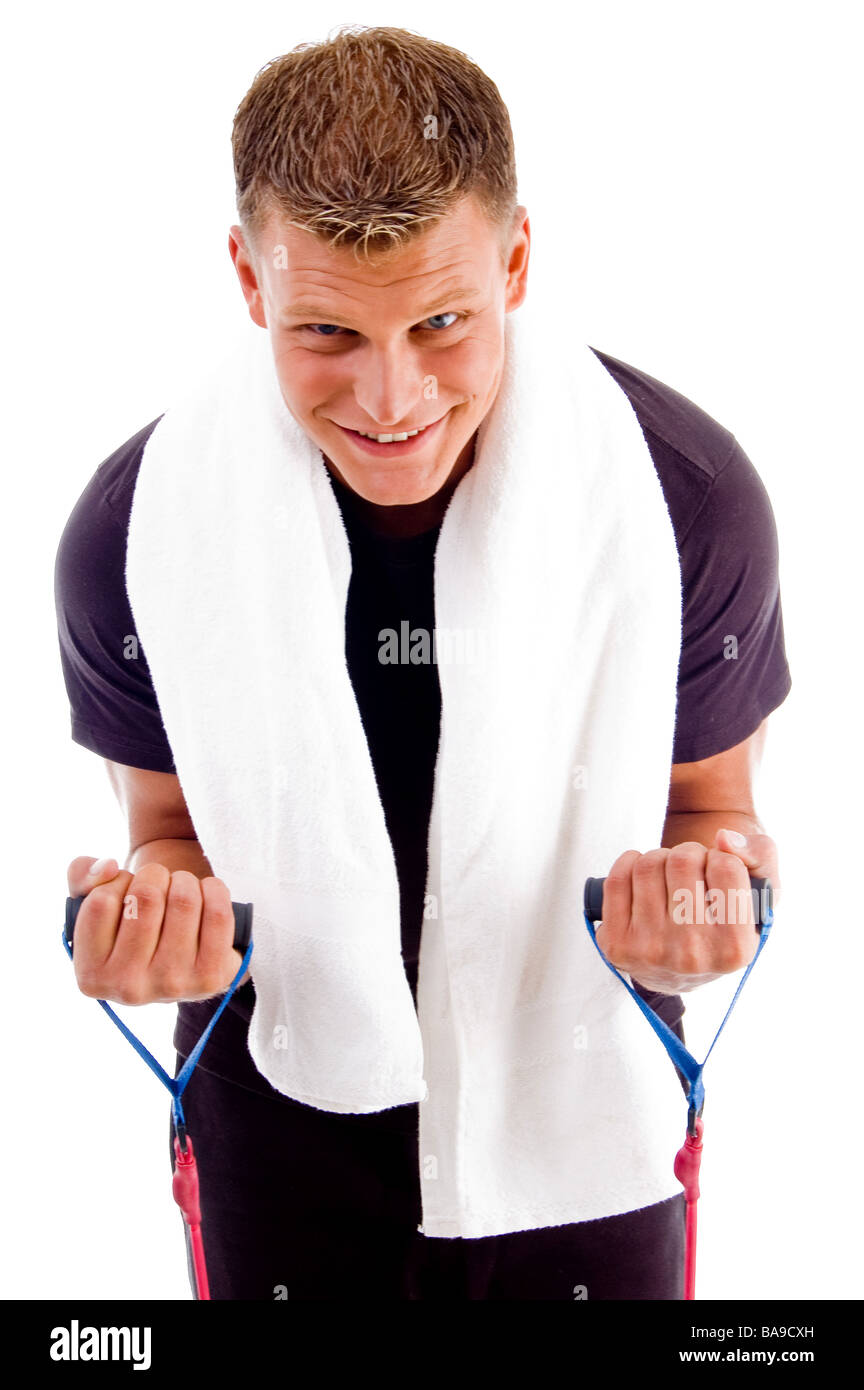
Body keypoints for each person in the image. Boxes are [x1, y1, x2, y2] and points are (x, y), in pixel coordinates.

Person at [54, 25, 791, 1300]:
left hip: (587, 1135)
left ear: (515, 260)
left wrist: (711, 898)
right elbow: (166, 831)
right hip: (273, 1128)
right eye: (328, 333)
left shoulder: (688, 499)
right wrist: (149, 928)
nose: (393, 400)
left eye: (442, 321)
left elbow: (720, 816)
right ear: (248, 278)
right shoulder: (134, 525)